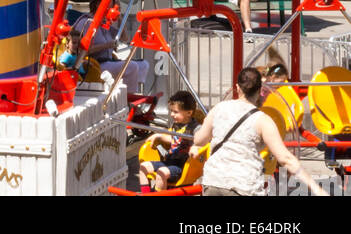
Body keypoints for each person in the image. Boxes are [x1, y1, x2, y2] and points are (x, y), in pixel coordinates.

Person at [190, 66, 326, 196]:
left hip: (213, 182)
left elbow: (199, 140)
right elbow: (285, 158)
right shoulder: (263, 120)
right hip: (243, 186)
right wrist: (316, 188)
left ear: (237, 88)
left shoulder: (219, 108)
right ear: (260, 90)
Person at [139, 91, 200, 193]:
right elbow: (173, 139)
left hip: (182, 166)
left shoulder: (195, 128)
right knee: (143, 167)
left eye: (175, 112)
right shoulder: (176, 125)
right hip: (168, 161)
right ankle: (147, 194)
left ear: (189, 113)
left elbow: (201, 141)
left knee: (161, 173)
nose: (172, 114)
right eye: (171, 111)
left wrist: (196, 145)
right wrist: (159, 136)